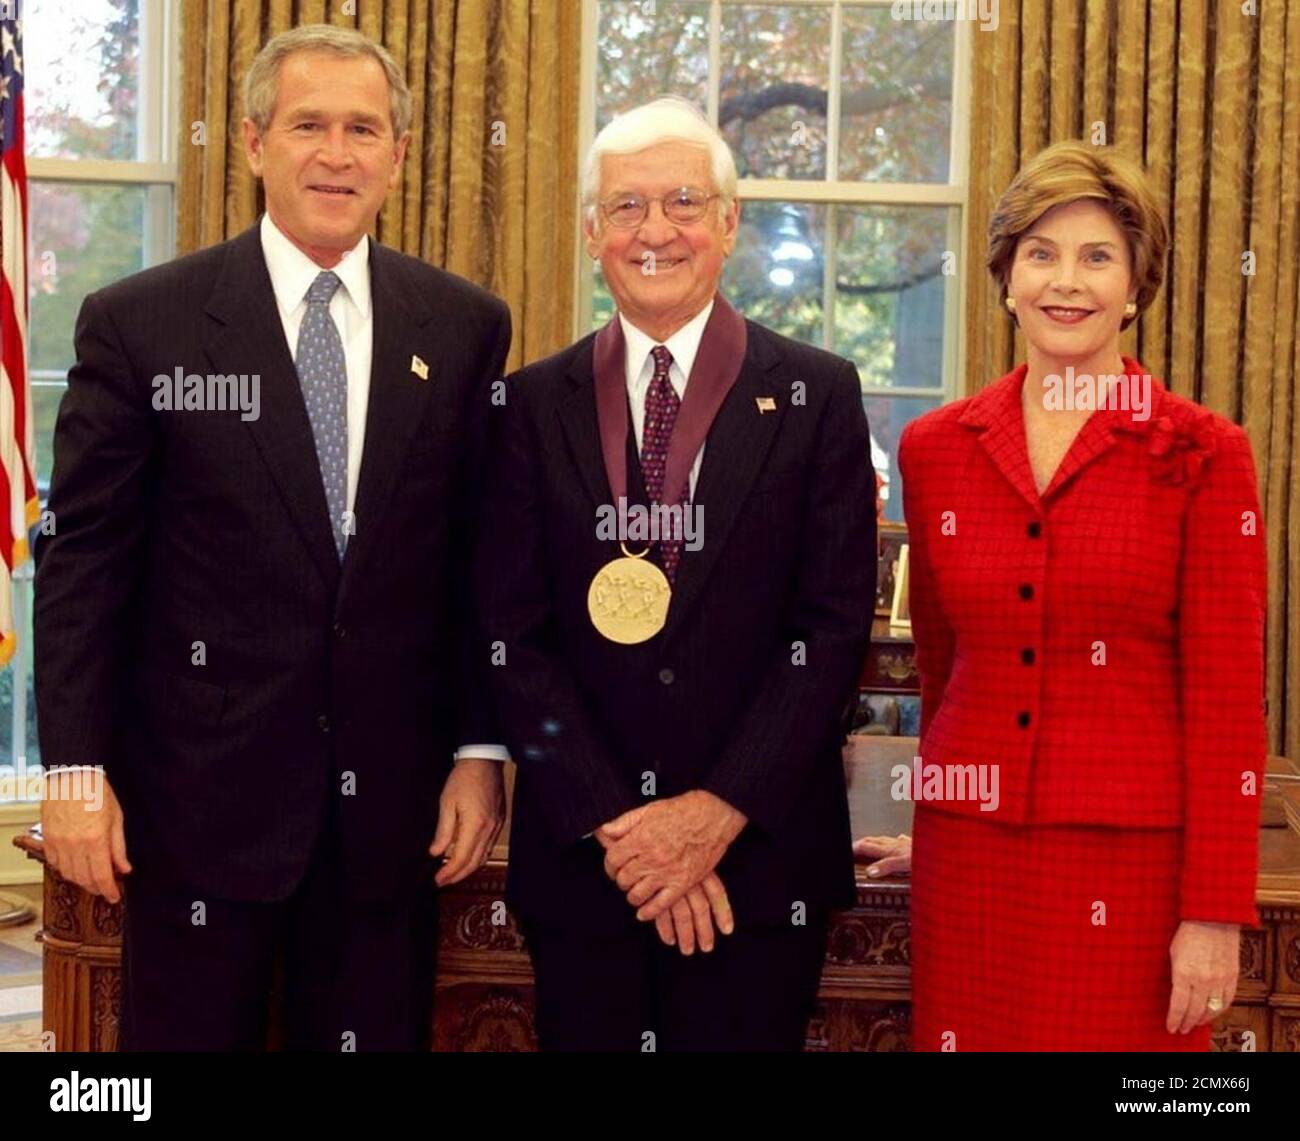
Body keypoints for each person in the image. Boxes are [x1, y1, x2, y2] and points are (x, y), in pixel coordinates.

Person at [34, 24, 510, 1051]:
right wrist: (73, 771)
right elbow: (82, 564)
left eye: (362, 129)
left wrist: (479, 747)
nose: (335, 153)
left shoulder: (464, 325)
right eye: (308, 125)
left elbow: (481, 560)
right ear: (252, 142)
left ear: (395, 153)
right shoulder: (143, 324)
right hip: (195, 811)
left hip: (392, 818)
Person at [475, 97, 877, 1052]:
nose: (655, 230)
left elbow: (829, 630)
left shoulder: (818, 393)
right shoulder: (530, 403)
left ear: (730, 224)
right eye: (625, 207)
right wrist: (627, 828)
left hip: (761, 857)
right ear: (589, 232)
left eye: (685, 201)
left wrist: (711, 816)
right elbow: (510, 635)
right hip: (589, 859)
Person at [858, 140, 1267, 1051]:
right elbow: (943, 664)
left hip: (1137, 872)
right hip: (970, 862)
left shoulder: (1206, 452)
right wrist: (941, 809)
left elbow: (1229, 702)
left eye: (1096, 256)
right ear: (1005, 277)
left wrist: (1213, 912)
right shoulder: (935, 447)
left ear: (1135, 283)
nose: (1065, 282)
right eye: (1040, 254)